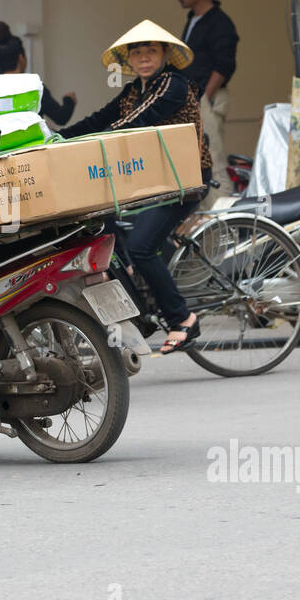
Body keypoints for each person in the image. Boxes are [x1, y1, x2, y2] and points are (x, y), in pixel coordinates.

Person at [63, 20, 212, 353]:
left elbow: (135, 122)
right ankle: (136, 295)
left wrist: (94, 140)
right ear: (129, 60)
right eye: (138, 52)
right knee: (103, 223)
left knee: (143, 247)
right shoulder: (133, 90)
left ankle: (182, 318)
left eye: (151, 51)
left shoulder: (172, 85)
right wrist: (58, 138)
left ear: (164, 55)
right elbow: (99, 118)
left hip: (184, 181)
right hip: (151, 181)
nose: (144, 57)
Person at [177, 0, 238, 205]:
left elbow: (225, 65)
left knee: (213, 160)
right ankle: (205, 224)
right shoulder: (193, 18)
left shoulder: (220, 23)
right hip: (194, 98)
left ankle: (226, 221)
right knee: (196, 163)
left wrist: (207, 98)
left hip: (205, 99)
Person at [0, 34, 78, 126]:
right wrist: (69, 100)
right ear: (21, 57)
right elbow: (61, 117)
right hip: (32, 139)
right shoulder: (33, 86)